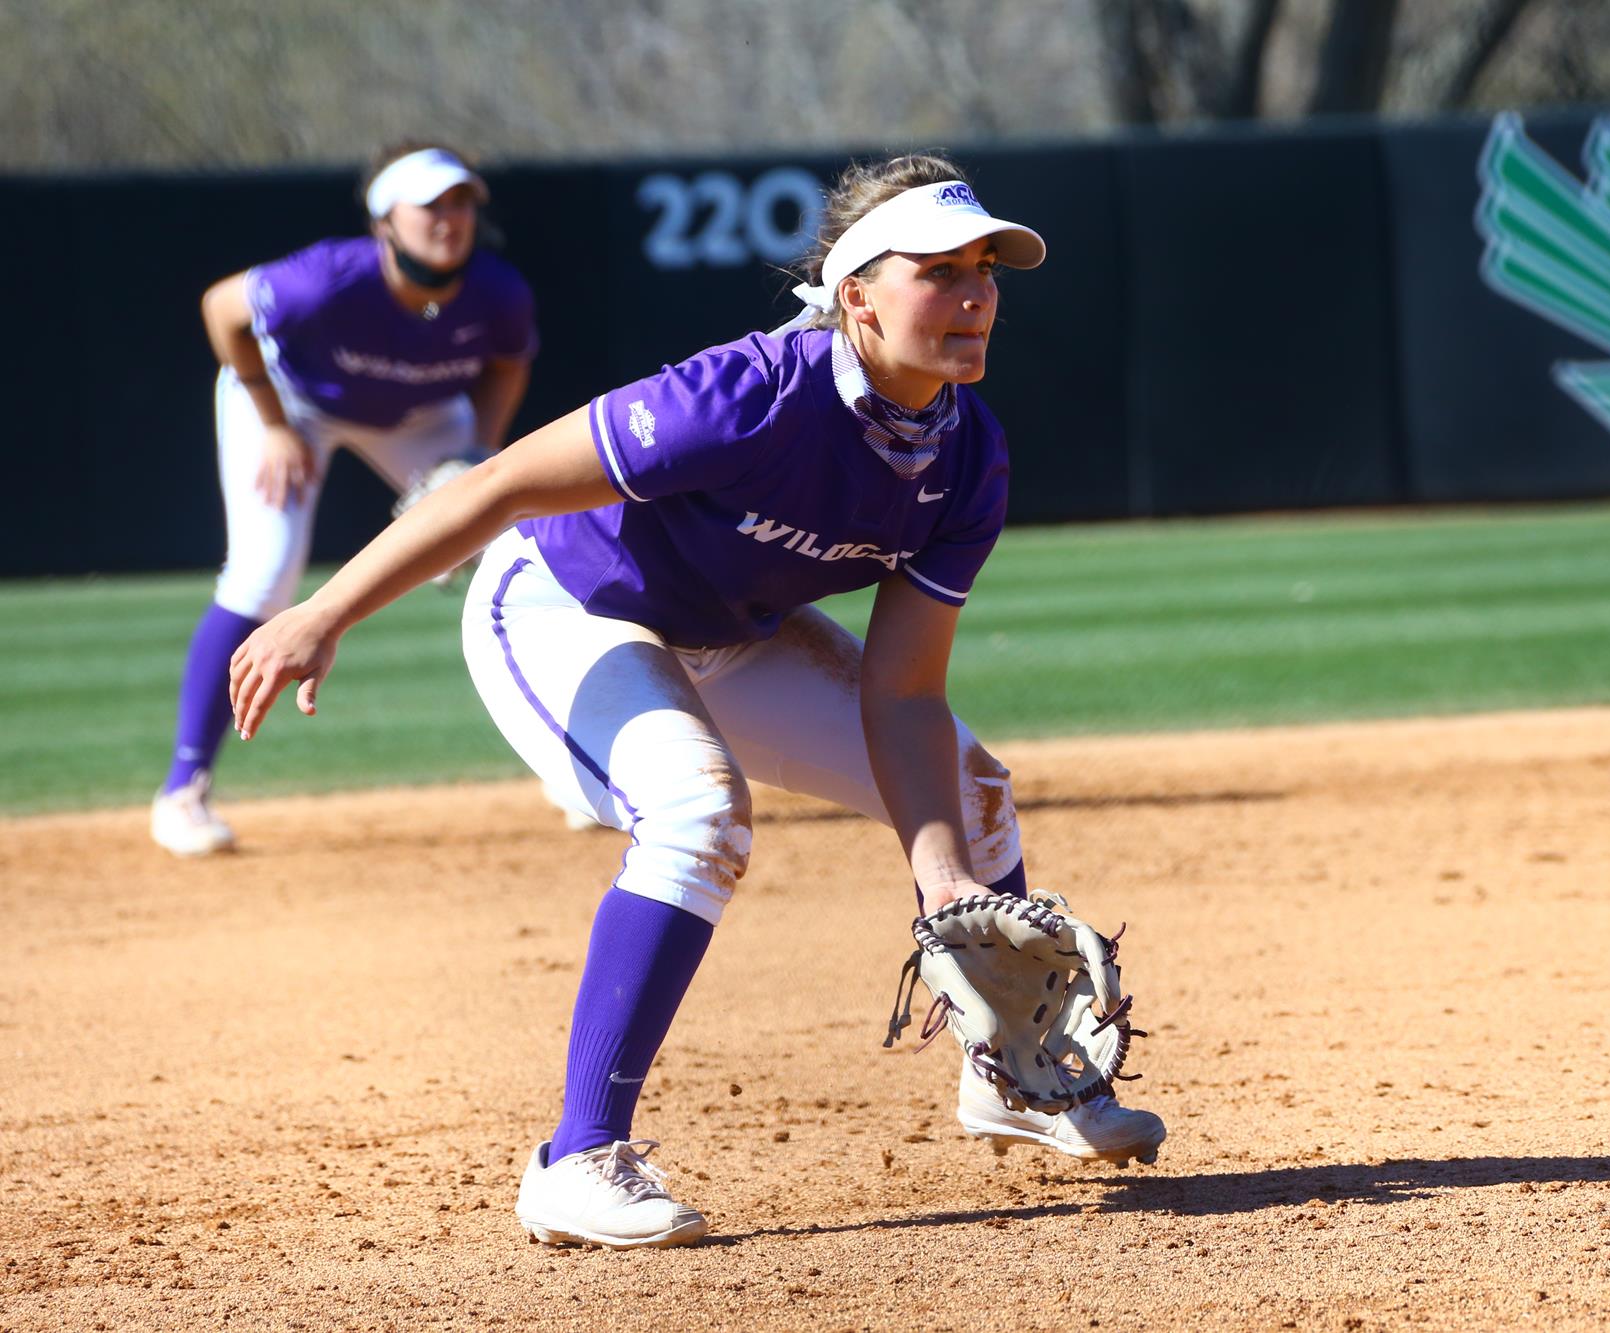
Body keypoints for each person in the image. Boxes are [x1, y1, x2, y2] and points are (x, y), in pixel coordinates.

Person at [227, 153, 1167, 1249]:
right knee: (697, 809)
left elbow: (901, 687)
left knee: (974, 794)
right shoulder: (749, 395)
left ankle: (1009, 1075)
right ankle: (575, 1160)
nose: (972, 295)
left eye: (983, 272)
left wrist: (943, 876)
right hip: (564, 602)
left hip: (727, 635)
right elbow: (496, 485)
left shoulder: (967, 456)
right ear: (856, 294)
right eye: (938, 271)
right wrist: (321, 612)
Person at [151, 142, 538, 855]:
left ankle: (574, 766)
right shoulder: (325, 281)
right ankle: (183, 792)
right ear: (384, 221)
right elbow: (221, 308)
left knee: (527, 547)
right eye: (430, 205)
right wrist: (272, 424)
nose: (450, 219)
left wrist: (476, 456)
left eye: (461, 203)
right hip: (291, 402)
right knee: (263, 573)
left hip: (418, 415)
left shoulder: (498, 292)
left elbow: (508, 365)